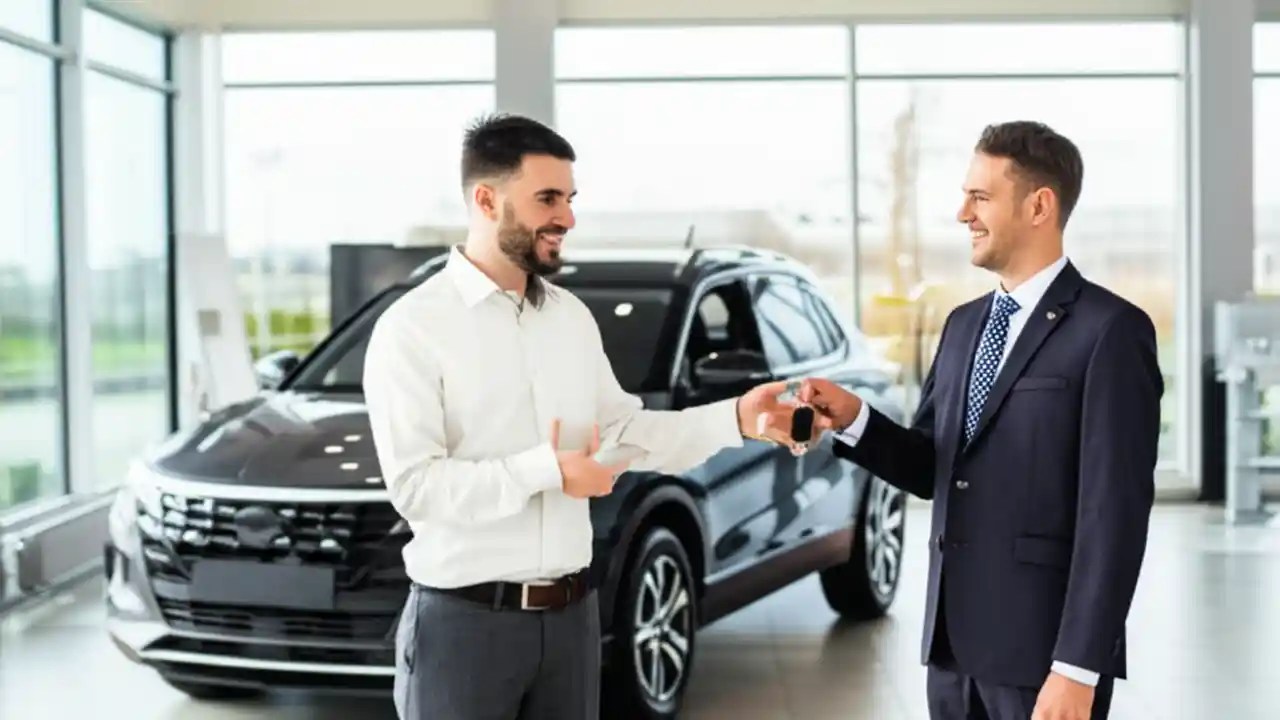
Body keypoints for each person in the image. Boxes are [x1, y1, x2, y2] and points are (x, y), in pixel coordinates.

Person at [362, 113, 799, 720]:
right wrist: (549, 471)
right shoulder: (412, 329)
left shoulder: (569, 319)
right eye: (547, 198)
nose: (567, 217)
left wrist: (737, 419)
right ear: (486, 200)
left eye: (569, 199)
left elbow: (625, 431)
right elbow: (416, 488)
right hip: (464, 627)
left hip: (571, 624)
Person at [795, 121, 1162, 720]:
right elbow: (934, 466)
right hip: (952, 651)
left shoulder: (1111, 332)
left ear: (1040, 205)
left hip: (1043, 661)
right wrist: (855, 418)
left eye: (980, 196)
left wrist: (1077, 667)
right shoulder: (964, 325)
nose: (962, 212)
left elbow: (1114, 517)